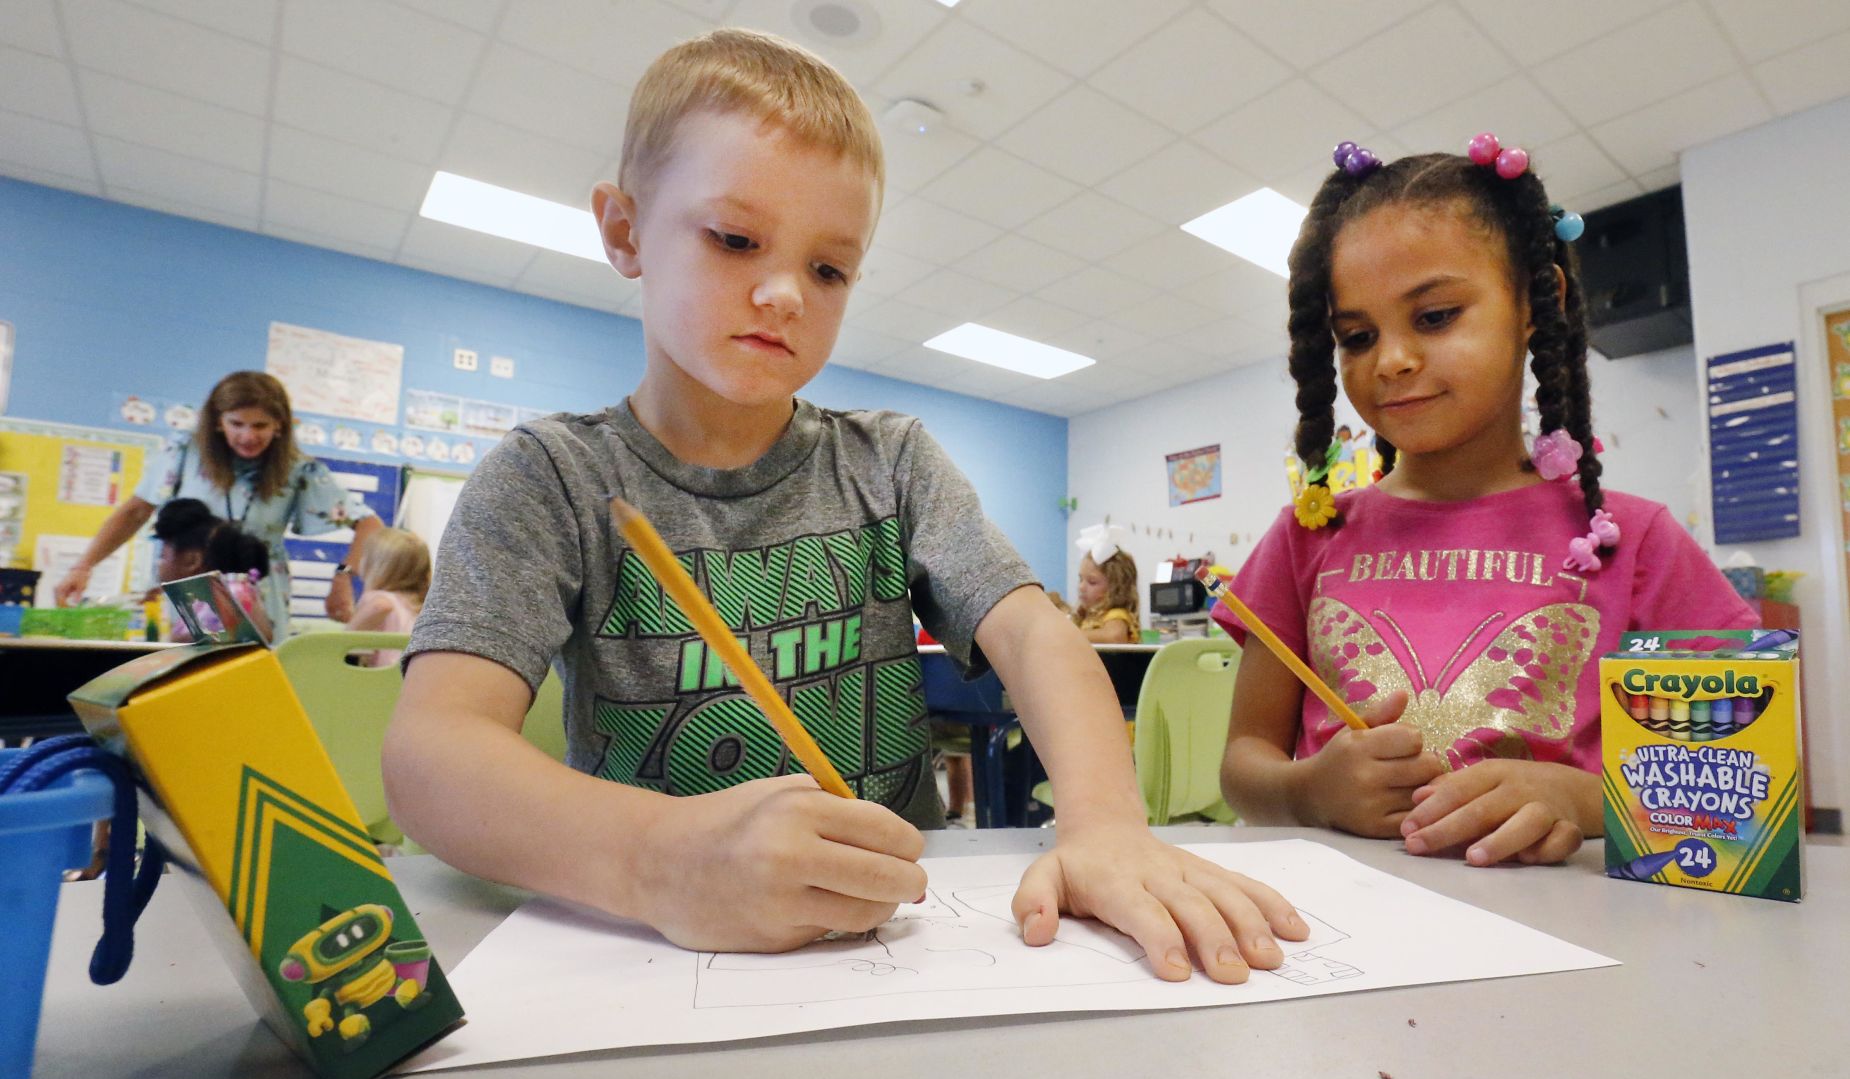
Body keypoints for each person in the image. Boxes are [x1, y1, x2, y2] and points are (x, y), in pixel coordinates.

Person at [384, 28, 1305, 982]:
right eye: (735, 238)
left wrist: (1106, 824)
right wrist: (657, 861)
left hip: (898, 938)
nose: (783, 292)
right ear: (624, 231)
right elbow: (431, 754)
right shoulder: (551, 478)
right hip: (656, 954)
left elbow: (1035, 635)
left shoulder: (892, 461)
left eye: (830, 268)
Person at [1218, 138, 1756, 868]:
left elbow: (1743, 781)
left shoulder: (1635, 540)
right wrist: (1311, 790)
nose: (1393, 359)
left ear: (1539, 304)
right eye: (1357, 335)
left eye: (1435, 316)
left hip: (1569, 939)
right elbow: (1243, 765)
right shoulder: (1308, 534)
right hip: (1341, 928)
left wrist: (1582, 800)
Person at [54, 371, 384, 638]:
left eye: (260, 425)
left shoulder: (298, 471)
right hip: (193, 584)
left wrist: (343, 577)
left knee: (253, 682)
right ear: (217, 421)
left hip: (260, 589)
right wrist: (83, 565)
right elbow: (136, 510)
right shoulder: (185, 452)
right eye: (236, 424)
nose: (247, 436)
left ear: (279, 425)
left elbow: (369, 524)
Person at [346, 527, 431, 667]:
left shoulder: (379, 598)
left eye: (364, 556)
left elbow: (380, 607)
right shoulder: (417, 603)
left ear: (376, 566)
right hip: (413, 674)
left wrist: (346, 636)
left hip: (386, 673)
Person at [1071, 524, 1140, 644]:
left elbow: (1115, 637)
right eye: (1080, 579)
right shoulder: (1087, 617)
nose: (1081, 587)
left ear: (1116, 588)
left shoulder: (1116, 614)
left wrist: (1068, 635)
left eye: (1092, 582)